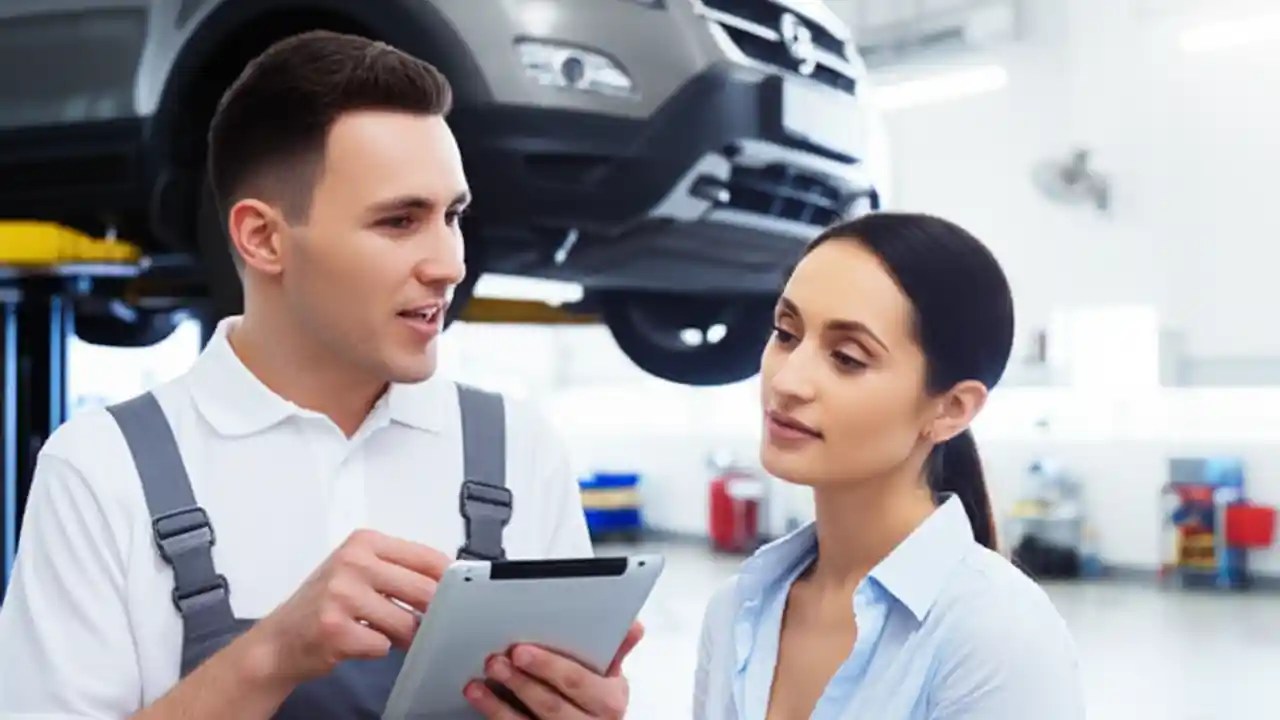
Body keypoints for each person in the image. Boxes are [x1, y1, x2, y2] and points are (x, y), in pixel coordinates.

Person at [0, 30, 639, 720]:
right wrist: (271, 655)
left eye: (452, 216)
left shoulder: (520, 450)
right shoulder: (101, 471)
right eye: (400, 221)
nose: (449, 262)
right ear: (262, 238)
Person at [692, 212, 1085, 719]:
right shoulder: (738, 607)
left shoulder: (995, 633)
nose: (787, 381)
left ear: (951, 409)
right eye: (786, 334)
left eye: (848, 358)